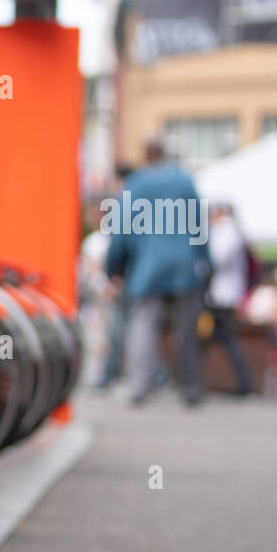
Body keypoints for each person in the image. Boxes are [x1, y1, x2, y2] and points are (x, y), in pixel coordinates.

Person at [105, 138, 212, 406]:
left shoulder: (136, 184)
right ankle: (189, 388)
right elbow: (199, 226)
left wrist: (113, 267)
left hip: (147, 266)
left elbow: (119, 232)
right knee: (185, 329)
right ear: (164, 153)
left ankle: (139, 386)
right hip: (185, 264)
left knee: (143, 324)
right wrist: (207, 262)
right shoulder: (184, 181)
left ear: (145, 154)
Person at [205, 202, 254, 395]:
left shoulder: (227, 232)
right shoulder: (227, 232)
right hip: (220, 295)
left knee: (224, 337)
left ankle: (244, 383)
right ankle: (194, 380)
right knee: (210, 337)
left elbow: (216, 259)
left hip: (222, 296)